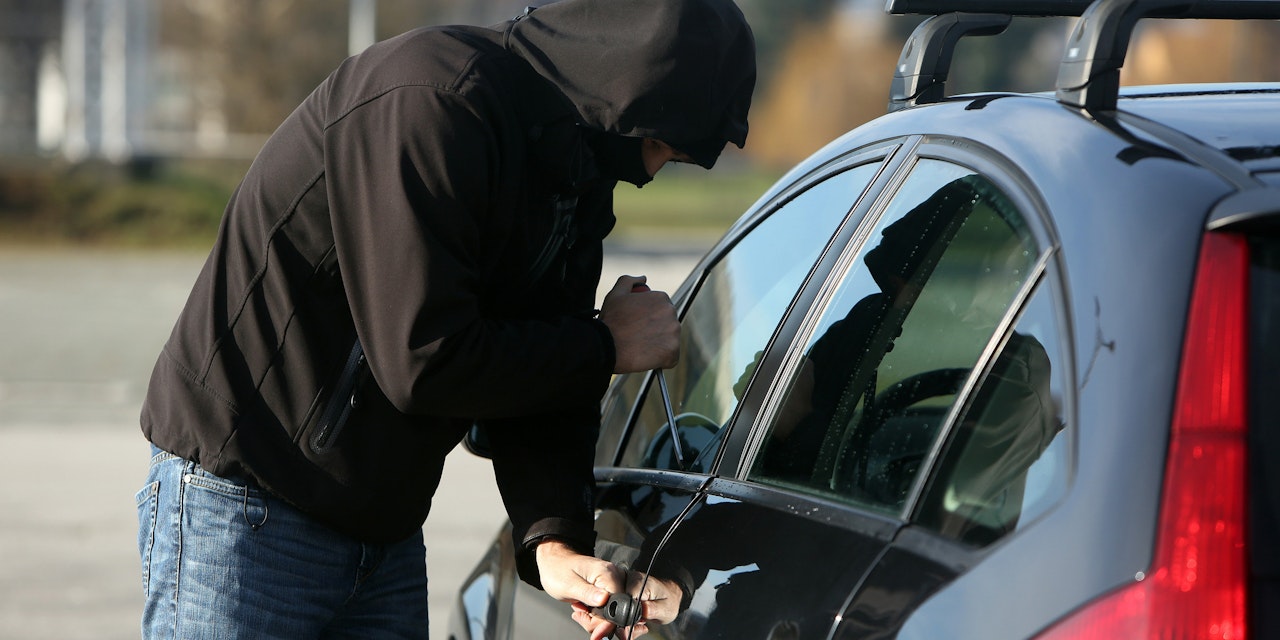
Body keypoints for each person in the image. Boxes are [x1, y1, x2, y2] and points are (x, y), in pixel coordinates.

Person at [134, 0, 756, 638]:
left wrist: (554, 539)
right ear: (619, 85)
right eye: (655, 143)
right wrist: (605, 344)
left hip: (385, 531)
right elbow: (423, 358)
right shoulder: (431, 100)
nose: (649, 172)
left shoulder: (574, 164)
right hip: (248, 505)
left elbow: (543, 366)